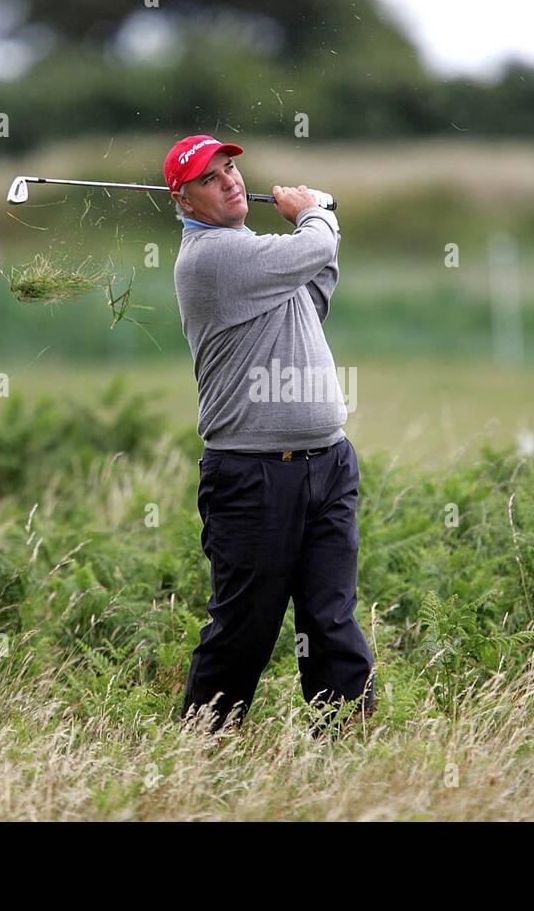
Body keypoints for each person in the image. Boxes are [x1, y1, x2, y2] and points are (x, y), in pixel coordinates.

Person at [166, 133, 376, 734]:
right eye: (209, 178)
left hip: (329, 463)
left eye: (230, 168)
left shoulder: (258, 257)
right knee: (245, 626)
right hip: (252, 475)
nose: (229, 180)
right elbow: (310, 251)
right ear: (182, 200)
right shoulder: (211, 261)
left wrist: (322, 226)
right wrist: (314, 214)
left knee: (331, 619)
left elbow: (316, 285)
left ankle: (343, 741)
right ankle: (203, 746)